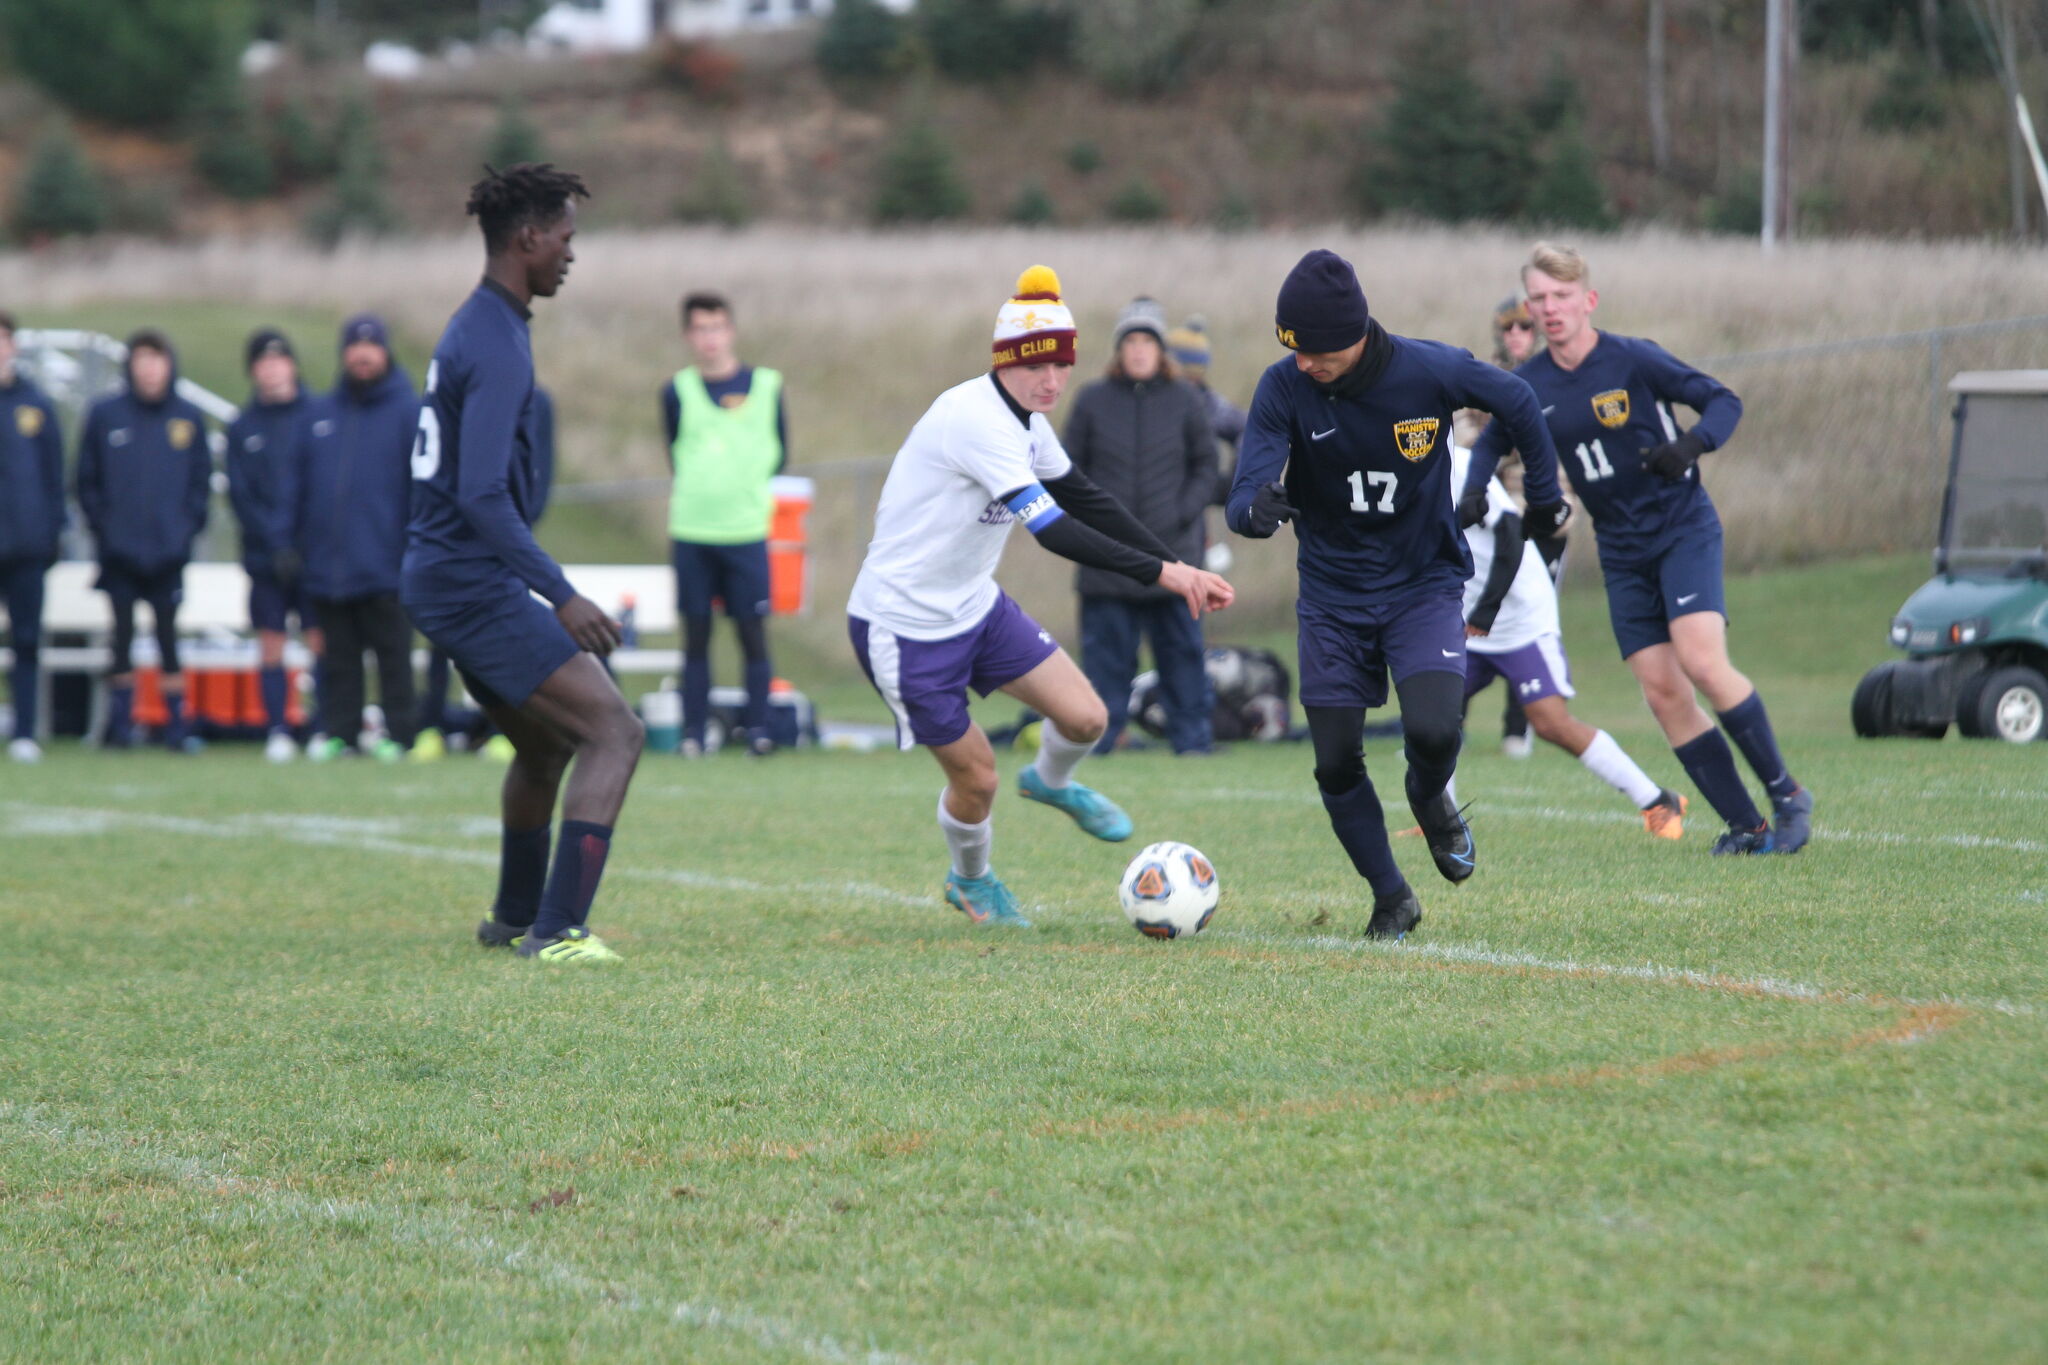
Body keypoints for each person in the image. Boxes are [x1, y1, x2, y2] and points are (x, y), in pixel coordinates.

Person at [848, 265, 1233, 928]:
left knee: (1088, 718)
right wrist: (1163, 575)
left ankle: (1052, 780)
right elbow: (1054, 530)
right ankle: (971, 881)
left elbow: (1084, 496)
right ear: (1006, 362)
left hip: (974, 607)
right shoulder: (977, 421)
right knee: (978, 780)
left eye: (1062, 365)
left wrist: (1177, 561)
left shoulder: (1028, 421)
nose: (1052, 381)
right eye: (1038, 367)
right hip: (903, 626)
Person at [1226, 249, 1567, 941]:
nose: (1300, 362)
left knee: (1435, 732)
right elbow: (1246, 489)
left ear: (1353, 335)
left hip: (1422, 583)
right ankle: (1392, 895)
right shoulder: (1283, 387)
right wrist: (1254, 511)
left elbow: (1521, 401)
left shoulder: (1430, 370)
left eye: (1313, 349)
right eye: (1288, 346)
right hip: (1331, 596)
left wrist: (1548, 496)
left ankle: (1428, 794)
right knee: (1334, 759)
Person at [1463, 242, 1812, 856]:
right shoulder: (1527, 384)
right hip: (1620, 548)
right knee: (1661, 689)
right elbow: (1490, 444)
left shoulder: (1632, 359)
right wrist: (1471, 494)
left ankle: (1787, 795)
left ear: (1588, 300)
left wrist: (1693, 444)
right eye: (1538, 299)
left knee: (1701, 662)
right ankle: (1746, 826)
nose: (1549, 309)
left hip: (1681, 527)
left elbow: (1723, 401)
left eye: (1561, 297)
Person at [401, 162, 643, 964]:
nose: (572, 253)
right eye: (566, 237)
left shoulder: (479, 323)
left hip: (445, 578)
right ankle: (560, 930)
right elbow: (480, 494)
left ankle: (511, 917)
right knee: (615, 730)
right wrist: (563, 595)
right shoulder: (495, 340)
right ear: (528, 237)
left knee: (545, 746)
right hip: (468, 583)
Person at [1447, 441, 1686, 834]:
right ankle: (1441, 821)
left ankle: (1658, 801)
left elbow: (1509, 533)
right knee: (1433, 719)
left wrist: (1487, 608)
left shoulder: (1459, 465)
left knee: (1551, 722)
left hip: (1519, 618)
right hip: (1463, 618)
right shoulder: (1387, 466)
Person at [1064, 296, 1219, 755]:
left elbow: (1206, 465)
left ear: (1160, 349)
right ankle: (1102, 741)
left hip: (1176, 559)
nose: (1137, 350)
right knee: (1106, 663)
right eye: (1129, 340)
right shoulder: (1091, 401)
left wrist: (1182, 513)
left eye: (1146, 340)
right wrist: (1093, 525)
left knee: (1183, 658)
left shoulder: (1186, 400)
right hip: (1106, 565)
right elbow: (1066, 468)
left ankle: (1193, 742)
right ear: (1118, 349)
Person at [290, 314, 420, 761]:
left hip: (388, 563)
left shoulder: (408, 412)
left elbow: (421, 489)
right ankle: (340, 733)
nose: (362, 356)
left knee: (393, 659)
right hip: (330, 564)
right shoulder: (321, 414)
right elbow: (302, 486)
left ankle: (400, 735)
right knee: (339, 661)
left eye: (371, 347)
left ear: (385, 353)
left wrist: (410, 551)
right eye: (354, 347)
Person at [75, 329, 212, 752]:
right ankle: (119, 726)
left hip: (168, 552)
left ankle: (175, 727)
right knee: (121, 640)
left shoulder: (186, 417)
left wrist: (182, 533)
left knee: (169, 641)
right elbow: (85, 480)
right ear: (130, 365)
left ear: (169, 364)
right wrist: (106, 530)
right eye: (142, 359)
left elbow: (200, 485)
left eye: (158, 358)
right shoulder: (106, 414)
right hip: (119, 552)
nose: (150, 368)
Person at [662, 292, 784, 757]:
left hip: (746, 530)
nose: (709, 338)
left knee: (752, 633)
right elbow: (674, 447)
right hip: (693, 531)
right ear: (688, 335)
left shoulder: (768, 385)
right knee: (695, 637)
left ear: (730, 331)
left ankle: (760, 730)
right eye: (699, 329)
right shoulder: (676, 391)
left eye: (716, 327)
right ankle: (694, 733)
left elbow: (780, 450)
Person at [416, 383, 554, 761]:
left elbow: (540, 474)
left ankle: (502, 730)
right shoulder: (450, 399)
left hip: (507, 539)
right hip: (453, 537)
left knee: (506, 633)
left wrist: (513, 530)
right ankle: (433, 726)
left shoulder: (537, 403)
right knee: (441, 633)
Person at [226, 328, 320, 762]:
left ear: (293, 365)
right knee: (271, 642)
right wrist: (273, 540)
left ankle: (322, 727)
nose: (272, 369)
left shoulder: (318, 416)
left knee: (320, 639)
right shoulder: (243, 427)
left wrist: (302, 539)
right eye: (262, 362)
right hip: (265, 556)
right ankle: (278, 729)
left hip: (315, 551)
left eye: (279, 360)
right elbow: (241, 494)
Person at [1469, 293, 1554, 760]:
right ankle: (1446, 723)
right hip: (1484, 513)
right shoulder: (1485, 377)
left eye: (1525, 327)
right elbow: (1470, 441)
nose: (1517, 336)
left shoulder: (1549, 376)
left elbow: (1549, 449)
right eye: (1509, 329)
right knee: (1469, 607)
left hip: (1533, 513)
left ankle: (1519, 725)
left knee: (1527, 613)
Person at [0, 311, 65, 763]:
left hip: (26, 546)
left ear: (14, 347)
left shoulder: (36, 405)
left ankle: (24, 730)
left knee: (27, 639)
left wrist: (50, 535)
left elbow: (54, 476)